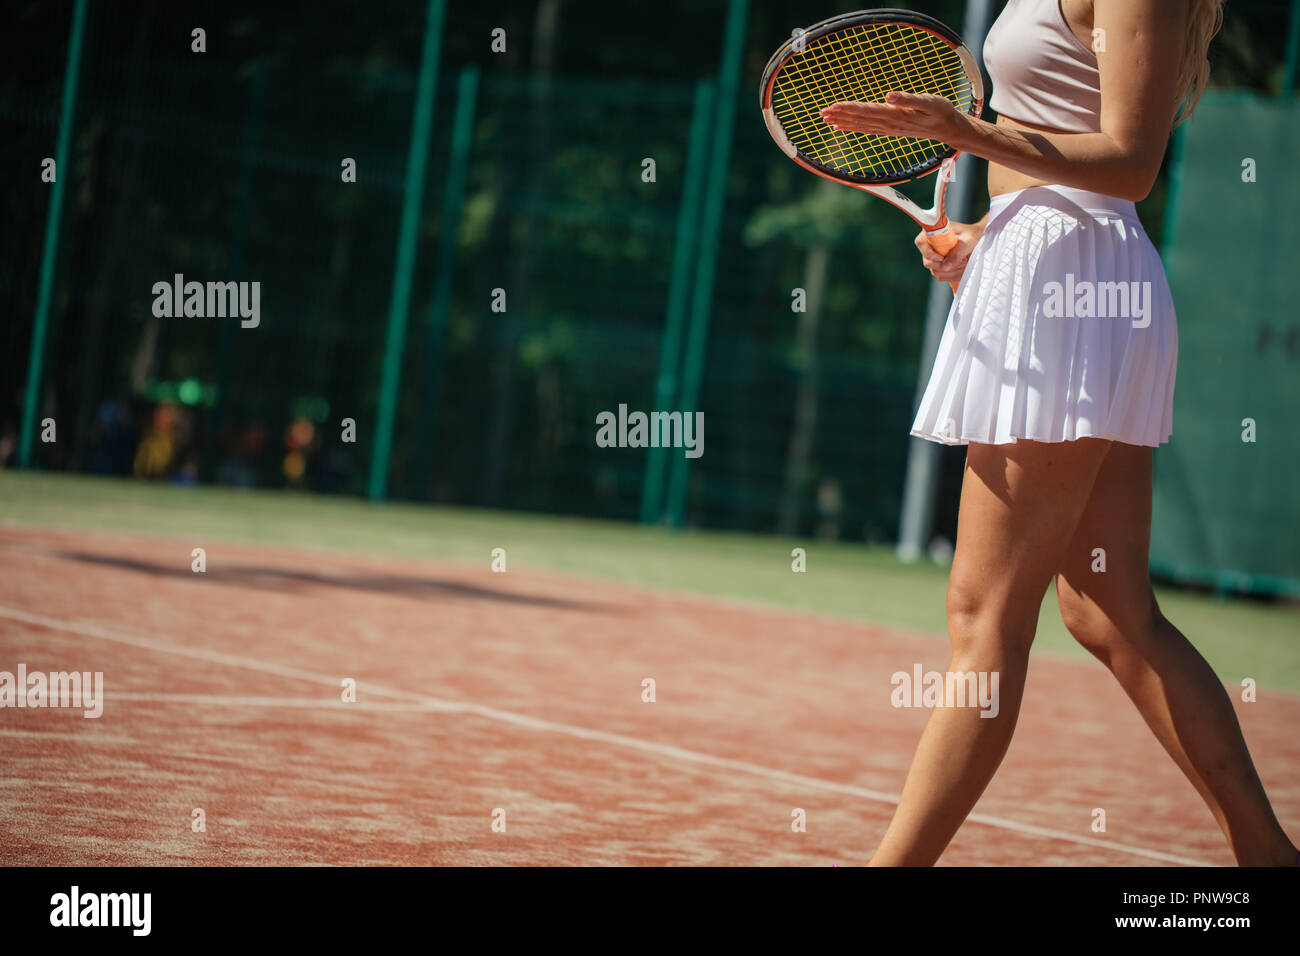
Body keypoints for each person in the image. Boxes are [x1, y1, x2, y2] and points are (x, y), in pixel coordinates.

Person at [821, 0, 1298, 866]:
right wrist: (988, 237)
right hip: (1050, 264)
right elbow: (1062, 142)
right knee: (1111, 614)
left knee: (984, 612)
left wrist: (968, 133)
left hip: (1070, 277)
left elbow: (1130, 161)